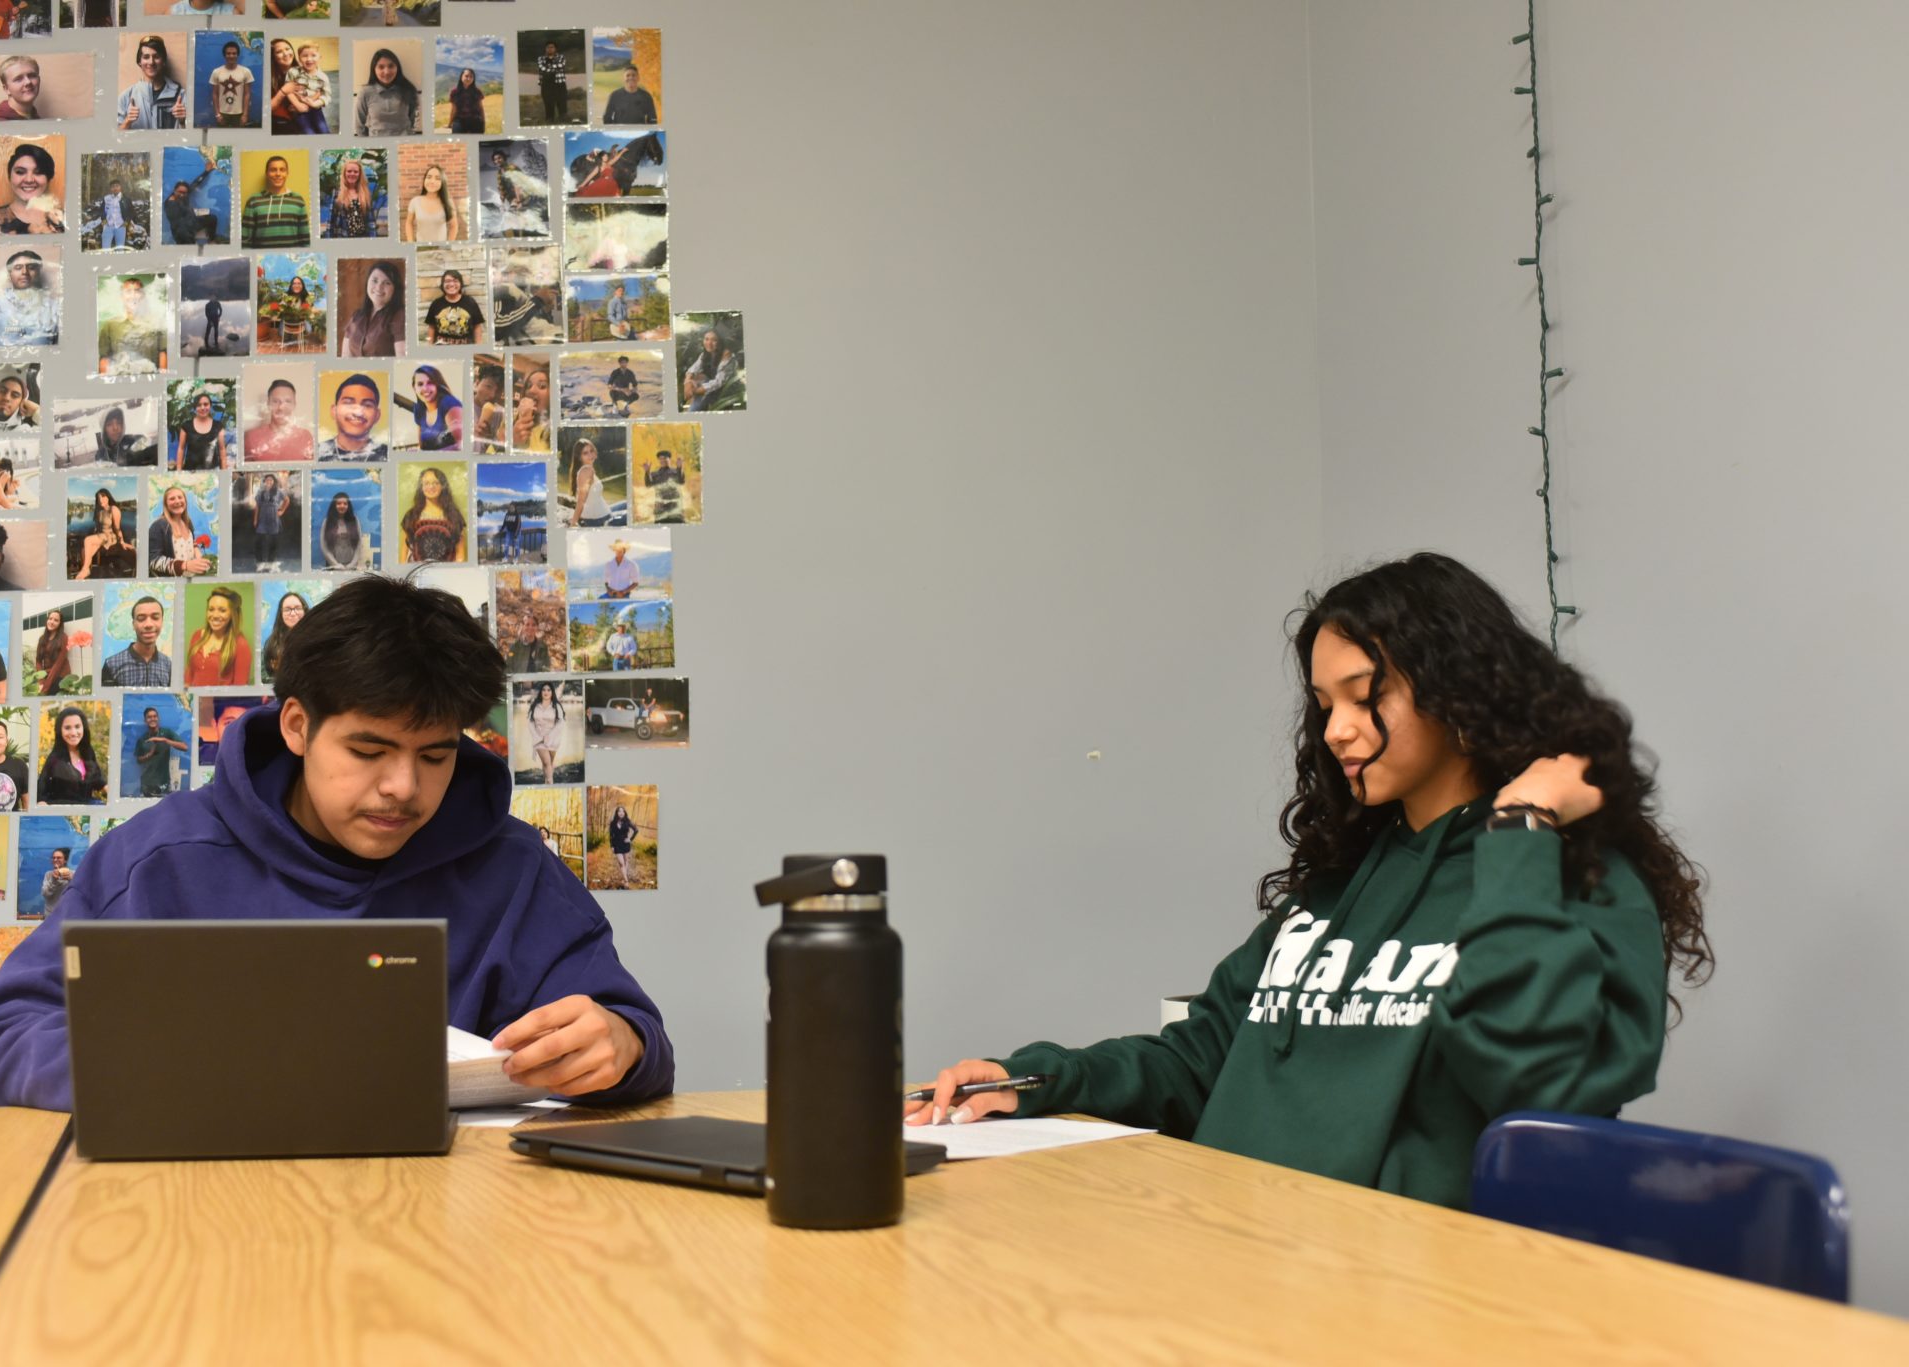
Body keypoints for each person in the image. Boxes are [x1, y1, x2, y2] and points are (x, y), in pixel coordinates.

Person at [906, 553, 1711, 1212]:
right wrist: (1039, 1081)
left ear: (1461, 690)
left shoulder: (1580, 877)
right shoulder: (1340, 883)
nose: (1336, 730)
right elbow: (1201, 1056)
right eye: (1324, 703)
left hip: (1422, 1303)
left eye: (1366, 696)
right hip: (1234, 1258)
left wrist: (1521, 827)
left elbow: (1538, 1085)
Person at [0, 574, 677, 1111]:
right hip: (195, 1229)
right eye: (369, 750)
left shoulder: (513, 869)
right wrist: (168, 1071)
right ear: (297, 726)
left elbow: (634, 1037)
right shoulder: (158, 860)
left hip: (451, 1234)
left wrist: (622, 1042)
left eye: (434, 755)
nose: (404, 787)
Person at [0, 250, 61, 348]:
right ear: (10, 274)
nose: (25, 272)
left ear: (38, 272)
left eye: (31, 267)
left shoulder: (55, 307)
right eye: (18, 268)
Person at [97, 276, 166, 377]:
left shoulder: (157, 323)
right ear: (122, 296)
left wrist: (162, 379)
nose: (133, 295)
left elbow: (163, 353)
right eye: (128, 291)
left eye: (137, 291)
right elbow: (104, 358)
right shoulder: (109, 325)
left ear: (143, 295)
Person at [37, 704, 104, 805]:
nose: (73, 732)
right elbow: (41, 791)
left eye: (77, 727)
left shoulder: (88, 752)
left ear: (84, 728)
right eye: (67, 728)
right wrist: (42, 803)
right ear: (60, 731)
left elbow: (98, 780)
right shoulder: (54, 760)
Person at [116, 36, 187, 131]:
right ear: (139, 62)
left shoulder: (181, 95)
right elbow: (113, 138)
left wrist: (183, 122)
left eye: (156, 57)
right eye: (146, 57)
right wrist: (128, 121)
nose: (151, 62)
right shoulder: (126, 97)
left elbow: (191, 139)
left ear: (164, 61)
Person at [241, 155, 310, 251]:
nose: (278, 174)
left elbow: (305, 241)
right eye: (273, 170)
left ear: (287, 173)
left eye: (282, 170)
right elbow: (245, 242)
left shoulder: (298, 200)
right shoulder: (253, 201)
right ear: (267, 173)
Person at [100, 596, 171, 688]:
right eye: (141, 618)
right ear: (133, 624)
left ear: (162, 622)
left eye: (155, 617)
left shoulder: (168, 665)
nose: (148, 624)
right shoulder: (111, 664)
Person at [187, 586, 251, 687]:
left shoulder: (240, 644)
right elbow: (188, 676)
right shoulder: (197, 635)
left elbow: (240, 689)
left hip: (220, 702)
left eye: (222, 610)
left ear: (232, 614)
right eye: (211, 609)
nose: (215, 615)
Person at [315, 374, 390, 461]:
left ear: (377, 415)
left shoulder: (388, 455)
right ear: (334, 411)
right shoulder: (315, 453)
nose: (357, 412)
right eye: (348, 403)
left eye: (367, 405)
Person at [340, 261, 407, 358]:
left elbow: (402, 359)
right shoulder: (357, 316)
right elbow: (345, 356)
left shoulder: (400, 316)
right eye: (375, 281)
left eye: (387, 283)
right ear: (367, 282)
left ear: (395, 289)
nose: (379, 287)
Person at [0, 141, 65, 235]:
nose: (29, 180)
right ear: (9, 176)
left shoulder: (64, 220)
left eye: (38, 172)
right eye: (20, 172)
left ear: (48, 178)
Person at [400, 466, 463, 563]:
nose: (431, 487)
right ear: (421, 487)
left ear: (443, 486)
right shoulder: (411, 515)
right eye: (426, 483)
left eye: (436, 483)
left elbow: (460, 554)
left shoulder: (454, 515)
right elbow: (404, 553)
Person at [354, 48, 419, 138]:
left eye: (391, 66)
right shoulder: (365, 92)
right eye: (381, 67)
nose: (387, 72)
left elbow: (413, 121)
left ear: (397, 68)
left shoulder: (408, 90)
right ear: (374, 69)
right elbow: (359, 126)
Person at [245, 378, 314, 464]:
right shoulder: (251, 437)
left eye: (288, 401)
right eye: (275, 401)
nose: (281, 407)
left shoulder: (306, 436)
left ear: (294, 404)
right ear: (268, 404)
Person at [148, 486, 212, 577]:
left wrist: (198, 554)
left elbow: (192, 542)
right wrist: (184, 565)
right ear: (165, 504)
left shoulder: (188, 522)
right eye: (172, 499)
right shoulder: (158, 526)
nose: (177, 501)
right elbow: (152, 560)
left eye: (180, 497)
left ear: (185, 501)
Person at [74, 486, 131, 580]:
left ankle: (85, 569)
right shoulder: (98, 511)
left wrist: (122, 542)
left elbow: (117, 529)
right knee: (84, 551)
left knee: (87, 540)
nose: (101, 500)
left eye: (103, 497)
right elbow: (98, 527)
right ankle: (86, 572)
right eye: (98, 498)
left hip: (110, 537)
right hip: (101, 536)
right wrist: (94, 535)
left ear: (108, 497)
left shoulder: (113, 509)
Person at [163, 156, 220, 246]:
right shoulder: (170, 205)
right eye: (180, 192)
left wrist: (206, 171)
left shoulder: (184, 196)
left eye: (185, 193)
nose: (182, 194)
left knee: (212, 219)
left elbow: (195, 183)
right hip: (182, 232)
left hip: (192, 222)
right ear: (174, 191)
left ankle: (211, 240)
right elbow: (178, 224)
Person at [133, 705, 187, 797]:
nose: (152, 719)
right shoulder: (142, 739)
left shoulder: (167, 733)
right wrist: (150, 754)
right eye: (149, 717)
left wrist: (165, 740)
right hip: (147, 784)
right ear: (145, 720)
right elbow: (138, 760)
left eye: (154, 716)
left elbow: (184, 747)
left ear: (158, 718)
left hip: (163, 783)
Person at [408, 365, 464, 452]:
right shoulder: (419, 410)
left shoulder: (449, 404)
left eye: (430, 383)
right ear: (414, 388)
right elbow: (422, 446)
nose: (425, 388)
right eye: (420, 384)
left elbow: (461, 445)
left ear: (438, 385)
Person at [682, 328, 738, 411]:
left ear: (720, 342)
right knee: (694, 379)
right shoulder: (705, 354)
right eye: (706, 339)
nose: (709, 343)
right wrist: (687, 383)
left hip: (724, 391)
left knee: (694, 407)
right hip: (711, 385)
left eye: (714, 340)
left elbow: (718, 382)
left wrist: (694, 391)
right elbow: (693, 368)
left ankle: (694, 409)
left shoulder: (726, 356)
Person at [426, 271, 486, 347]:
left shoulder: (470, 302)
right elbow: (431, 328)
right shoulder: (436, 304)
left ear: (460, 284)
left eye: (455, 281)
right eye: (447, 281)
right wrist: (429, 345)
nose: (451, 284)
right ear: (442, 284)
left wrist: (479, 346)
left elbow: (477, 327)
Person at [401, 164, 458, 243]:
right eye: (429, 177)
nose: (432, 181)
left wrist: (449, 244)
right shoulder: (415, 201)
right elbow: (409, 222)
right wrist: (410, 241)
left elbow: (454, 226)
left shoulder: (448, 202)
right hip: (419, 248)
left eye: (437, 178)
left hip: (440, 249)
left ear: (442, 183)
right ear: (424, 180)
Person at [326, 156, 377, 239]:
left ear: (360, 174)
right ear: (344, 173)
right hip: (343, 237)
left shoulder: (366, 193)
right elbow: (330, 222)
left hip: (363, 239)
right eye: (349, 171)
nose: (352, 174)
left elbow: (371, 222)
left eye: (355, 172)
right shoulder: (337, 193)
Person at [173, 392, 226, 471]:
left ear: (210, 406)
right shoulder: (186, 426)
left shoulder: (218, 426)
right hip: (190, 472)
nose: (202, 407)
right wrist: (179, 469)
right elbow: (181, 448)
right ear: (194, 407)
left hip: (213, 471)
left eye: (205, 404)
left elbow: (222, 449)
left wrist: (224, 471)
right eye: (199, 405)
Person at [317, 491, 370, 569]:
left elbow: (359, 544)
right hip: (333, 567)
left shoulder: (354, 520)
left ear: (348, 506)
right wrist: (335, 565)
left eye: (345, 503)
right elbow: (324, 546)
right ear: (334, 505)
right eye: (339, 503)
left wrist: (352, 564)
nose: (342, 506)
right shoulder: (327, 521)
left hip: (351, 567)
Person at [261, 591, 306, 680]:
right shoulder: (271, 644)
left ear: (305, 610)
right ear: (281, 614)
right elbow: (264, 677)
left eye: (298, 608)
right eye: (287, 609)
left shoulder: (316, 640)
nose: (293, 613)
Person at [249, 473, 290, 572]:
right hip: (262, 519)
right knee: (259, 541)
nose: (269, 482)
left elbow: (287, 500)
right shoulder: (260, 492)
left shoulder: (278, 492)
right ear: (265, 482)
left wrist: (282, 511)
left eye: (271, 480)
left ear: (274, 482)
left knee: (273, 542)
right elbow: (257, 507)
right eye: (267, 480)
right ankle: (260, 563)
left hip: (273, 519)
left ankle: (271, 563)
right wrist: (255, 519)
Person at [209, 40, 253, 129]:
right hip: (222, 113)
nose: (231, 56)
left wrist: (245, 114)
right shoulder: (216, 72)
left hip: (239, 113)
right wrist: (217, 114)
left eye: (234, 53)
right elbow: (214, 94)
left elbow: (247, 94)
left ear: (238, 55)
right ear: (224, 55)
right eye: (228, 53)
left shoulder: (246, 72)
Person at [528, 683, 564, 782]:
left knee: (549, 763)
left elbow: (560, 723)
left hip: (553, 740)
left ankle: (546, 780)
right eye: (544, 690)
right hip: (539, 739)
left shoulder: (556, 706)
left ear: (552, 692)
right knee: (546, 762)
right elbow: (530, 723)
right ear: (541, 692)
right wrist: (537, 736)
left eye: (549, 690)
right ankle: (550, 782)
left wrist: (550, 737)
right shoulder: (535, 705)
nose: (546, 692)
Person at [572, 438, 610, 526]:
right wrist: (573, 522)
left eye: (591, 450)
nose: (590, 455)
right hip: (599, 520)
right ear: (579, 457)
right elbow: (581, 500)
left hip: (602, 513)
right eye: (585, 453)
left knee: (625, 504)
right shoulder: (586, 471)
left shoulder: (588, 468)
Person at [0, 54, 40, 120]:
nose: (28, 82)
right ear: (6, 89)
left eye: (32, 76)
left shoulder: (34, 116)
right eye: (18, 79)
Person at [32, 608, 69, 696]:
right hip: (47, 673)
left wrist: (45, 688)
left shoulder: (63, 638)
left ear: (60, 624)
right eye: (50, 619)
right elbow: (38, 661)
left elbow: (58, 665)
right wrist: (41, 681)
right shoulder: (42, 639)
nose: (52, 622)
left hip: (60, 675)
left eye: (56, 620)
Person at [646, 449, 685, 521]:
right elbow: (648, 484)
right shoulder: (655, 474)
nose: (662, 460)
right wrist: (647, 472)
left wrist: (680, 468)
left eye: (664, 458)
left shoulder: (675, 472)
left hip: (675, 507)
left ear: (669, 459)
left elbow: (681, 481)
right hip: (660, 508)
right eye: (660, 459)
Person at [474, 363, 507, 449]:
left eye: (499, 390)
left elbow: (497, 449)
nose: (493, 395)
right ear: (477, 383)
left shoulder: (501, 413)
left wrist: (488, 438)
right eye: (488, 386)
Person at [535, 40, 569, 123]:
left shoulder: (561, 57)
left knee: (562, 102)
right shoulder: (540, 58)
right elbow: (542, 68)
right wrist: (555, 68)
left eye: (552, 47)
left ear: (555, 48)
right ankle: (550, 120)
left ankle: (563, 119)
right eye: (548, 47)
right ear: (545, 49)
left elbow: (561, 65)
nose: (550, 49)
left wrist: (548, 67)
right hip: (546, 84)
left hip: (560, 83)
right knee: (548, 102)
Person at [606, 804, 638, 885]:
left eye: (622, 811)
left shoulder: (627, 821)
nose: (621, 813)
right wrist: (612, 846)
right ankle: (626, 881)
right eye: (619, 811)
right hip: (617, 845)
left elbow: (636, 830)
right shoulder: (613, 823)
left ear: (624, 813)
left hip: (625, 844)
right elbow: (611, 835)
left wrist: (630, 839)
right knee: (621, 863)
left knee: (625, 861)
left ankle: (624, 878)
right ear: (617, 813)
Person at [95, 178, 130, 250]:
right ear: (111, 188)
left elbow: (131, 212)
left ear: (120, 187)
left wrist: (127, 221)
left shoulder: (126, 199)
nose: (115, 188)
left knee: (120, 249)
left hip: (121, 226)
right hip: (108, 226)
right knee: (105, 248)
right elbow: (101, 210)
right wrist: (103, 219)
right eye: (113, 186)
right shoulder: (106, 198)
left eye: (117, 186)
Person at [447, 66, 485, 134]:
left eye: (471, 77)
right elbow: (453, 110)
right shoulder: (454, 92)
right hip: (459, 120)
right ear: (461, 76)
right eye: (466, 76)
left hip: (475, 120)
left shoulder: (477, 91)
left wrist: (483, 122)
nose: (469, 78)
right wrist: (449, 124)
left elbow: (481, 108)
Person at [40, 848, 72, 915]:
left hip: (67, 915)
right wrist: (53, 880)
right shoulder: (48, 875)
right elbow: (45, 894)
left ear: (65, 860)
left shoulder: (73, 874)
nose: (55, 860)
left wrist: (71, 880)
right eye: (53, 858)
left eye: (59, 858)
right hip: (51, 915)